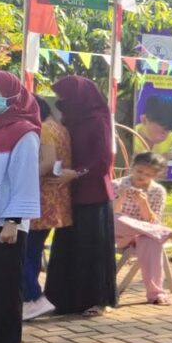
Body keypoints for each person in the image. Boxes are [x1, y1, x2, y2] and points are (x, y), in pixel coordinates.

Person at [44, 76, 117, 316]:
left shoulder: (98, 121)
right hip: (70, 192)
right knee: (68, 247)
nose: (61, 102)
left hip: (93, 193)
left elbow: (103, 160)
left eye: (65, 97)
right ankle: (64, 299)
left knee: (91, 248)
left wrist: (76, 173)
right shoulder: (69, 120)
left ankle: (97, 299)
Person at [0, 72, 41, 343]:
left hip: (5, 223)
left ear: (12, 96)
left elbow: (24, 180)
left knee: (4, 288)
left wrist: (13, 221)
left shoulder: (24, 132)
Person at [22, 96, 71, 322]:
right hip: (54, 199)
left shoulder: (43, 129)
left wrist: (21, 177)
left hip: (41, 198)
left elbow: (48, 162)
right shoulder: (60, 128)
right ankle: (29, 300)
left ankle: (34, 298)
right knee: (31, 251)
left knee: (22, 253)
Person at [113, 152, 172, 306]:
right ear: (132, 167)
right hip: (119, 235)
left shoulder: (157, 191)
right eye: (139, 171)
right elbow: (111, 217)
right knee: (115, 219)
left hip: (145, 235)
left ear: (155, 175)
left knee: (152, 241)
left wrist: (144, 205)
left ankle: (156, 294)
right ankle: (167, 232)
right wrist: (121, 199)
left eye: (148, 174)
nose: (142, 176)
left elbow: (153, 222)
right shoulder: (117, 185)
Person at [136, 95, 172, 163]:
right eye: (162, 129)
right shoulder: (131, 136)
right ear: (144, 120)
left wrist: (166, 155)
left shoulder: (168, 135)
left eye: (169, 130)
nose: (165, 135)